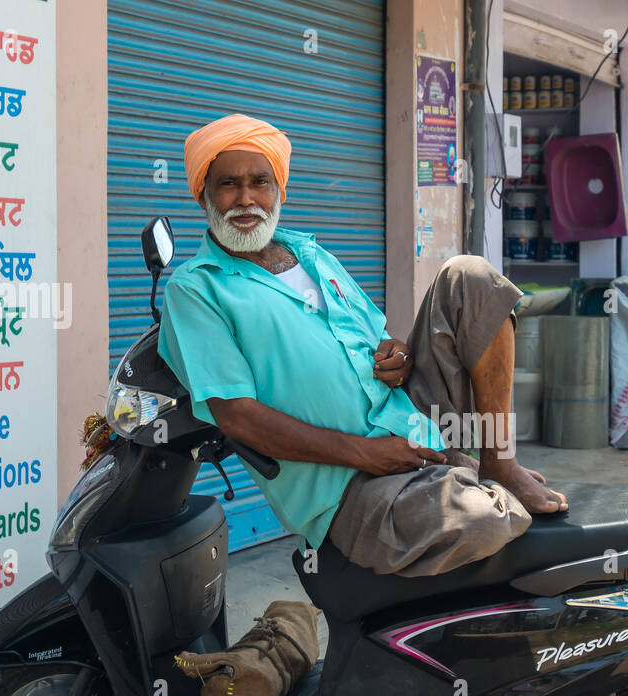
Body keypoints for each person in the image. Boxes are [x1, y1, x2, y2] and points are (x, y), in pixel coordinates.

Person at [158, 113, 566, 578]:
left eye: (260, 182)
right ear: (204, 194)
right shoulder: (195, 289)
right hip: (349, 485)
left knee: (470, 278)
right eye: (229, 184)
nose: (246, 198)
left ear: (279, 191)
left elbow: (382, 340)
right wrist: (365, 453)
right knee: (477, 522)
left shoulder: (311, 254)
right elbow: (235, 415)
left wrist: (399, 354)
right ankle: (458, 477)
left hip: (413, 418)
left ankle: (497, 463)